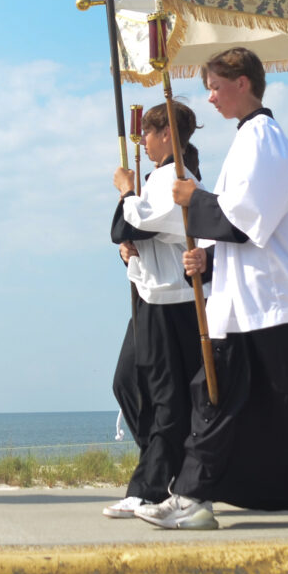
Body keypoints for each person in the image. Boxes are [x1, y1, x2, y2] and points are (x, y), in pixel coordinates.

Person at [138, 47, 288, 530]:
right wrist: (207, 255)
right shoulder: (247, 139)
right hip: (245, 300)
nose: (209, 97)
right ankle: (193, 496)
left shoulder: (265, 138)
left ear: (243, 82)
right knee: (216, 397)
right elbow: (240, 218)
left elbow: (250, 217)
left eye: (215, 86)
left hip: (275, 299)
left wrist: (195, 199)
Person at [104, 101, 206, 518]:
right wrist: (131, 250)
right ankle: (161, 465)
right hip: (150, 296)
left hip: (173, 301)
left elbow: (125, 224)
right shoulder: (158, 178)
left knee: (167, 396)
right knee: (127, 383)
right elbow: (129, 235)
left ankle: (150, 486)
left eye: (148, 133)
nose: (142, 141)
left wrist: (127, 192)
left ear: (167, 134)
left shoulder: (177, 178)